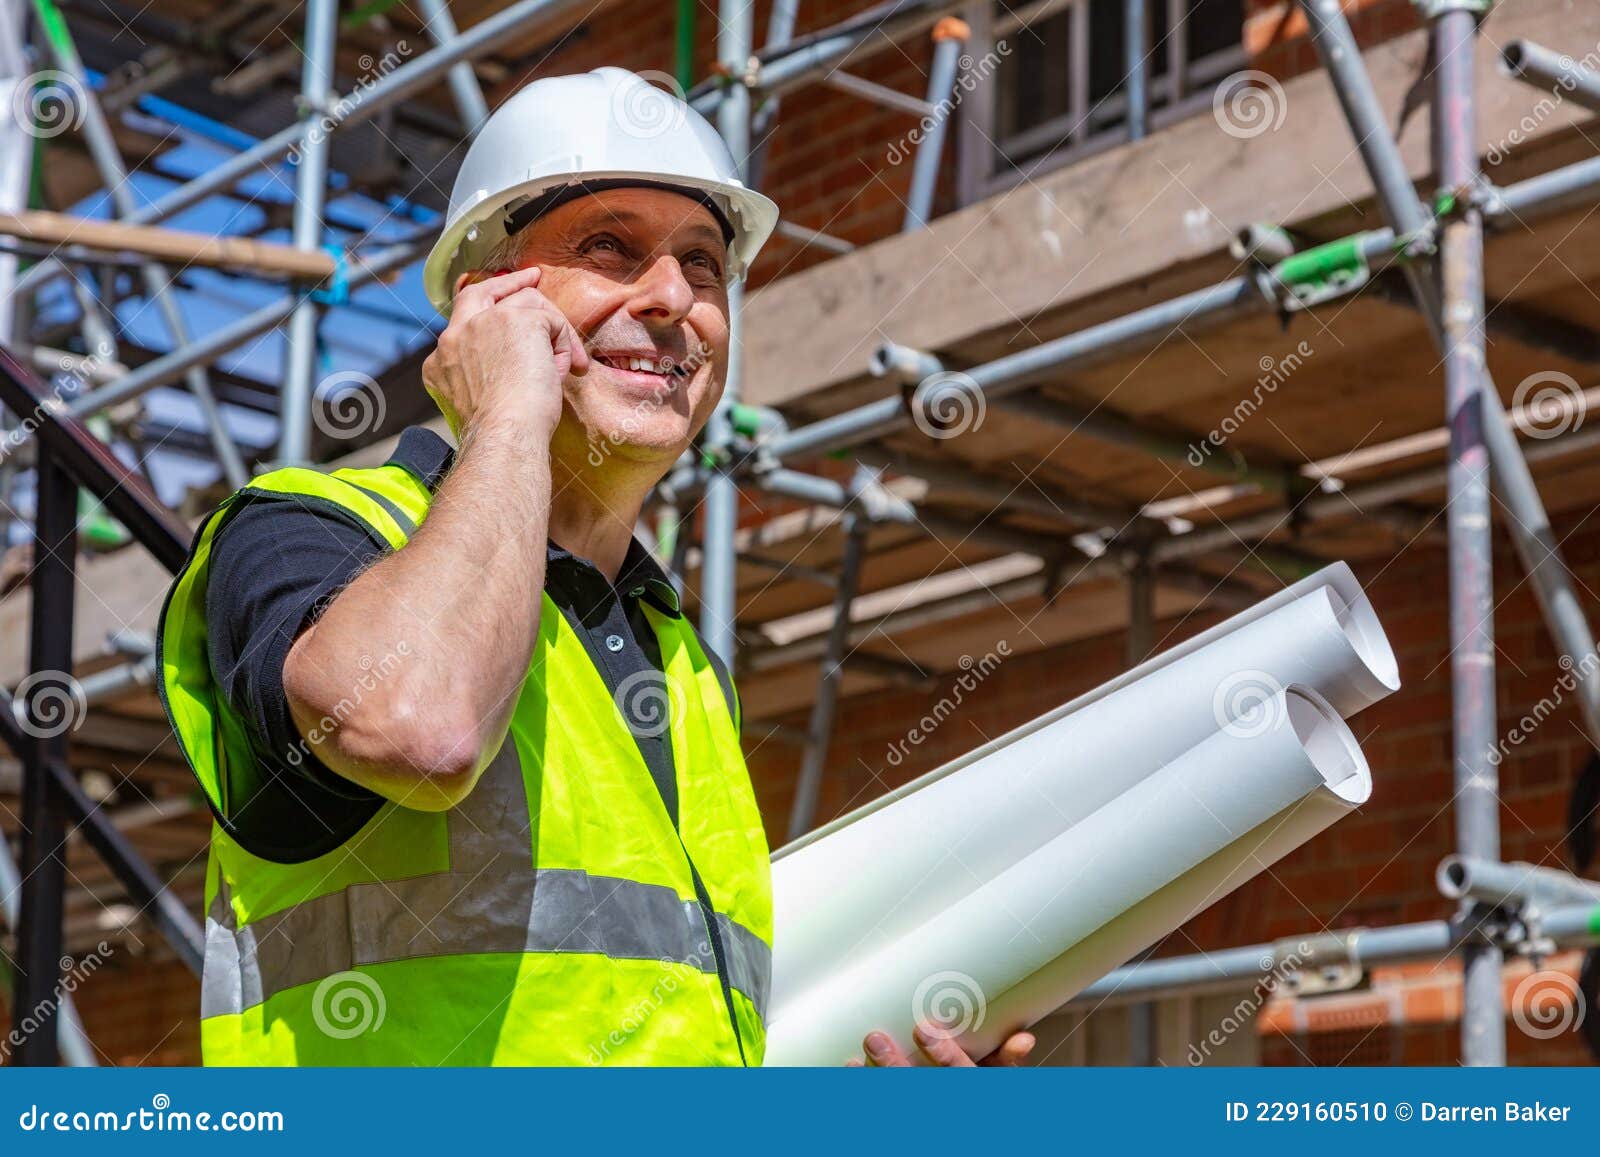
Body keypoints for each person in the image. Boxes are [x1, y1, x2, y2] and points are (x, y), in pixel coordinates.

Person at [158, 67, 1034, 1068]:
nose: (672, 300)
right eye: (609, 247)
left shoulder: (686, 669)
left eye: (703, 267)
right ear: (484, 294)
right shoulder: (303, 532)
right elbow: (422, 724)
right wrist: (510, 412)